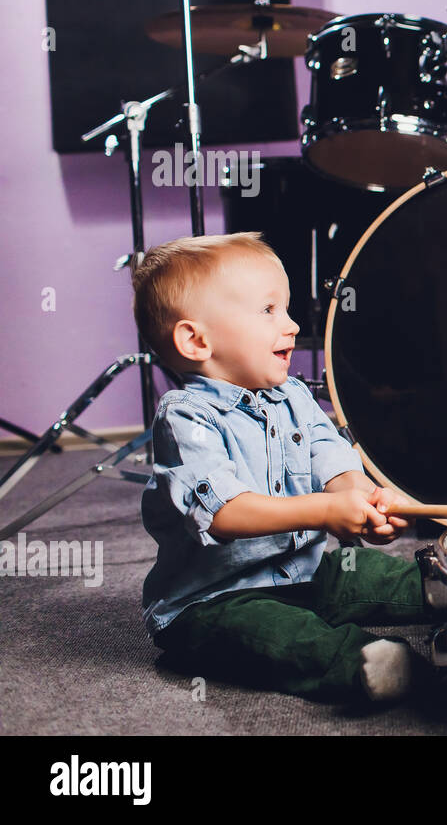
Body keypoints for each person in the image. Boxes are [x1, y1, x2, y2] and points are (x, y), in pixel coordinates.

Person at [134, 232, 429, 703]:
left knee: (387, 575)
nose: (291, 326)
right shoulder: (184, 416)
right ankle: (361, 663)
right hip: (218, 599)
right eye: (269, 311)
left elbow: (328, 453)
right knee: (280, 637)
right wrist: (326, 511)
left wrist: (362, 496)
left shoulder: (291, 395)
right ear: (196, 340)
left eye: (287, 309)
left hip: (307, 574)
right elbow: (226, 514)